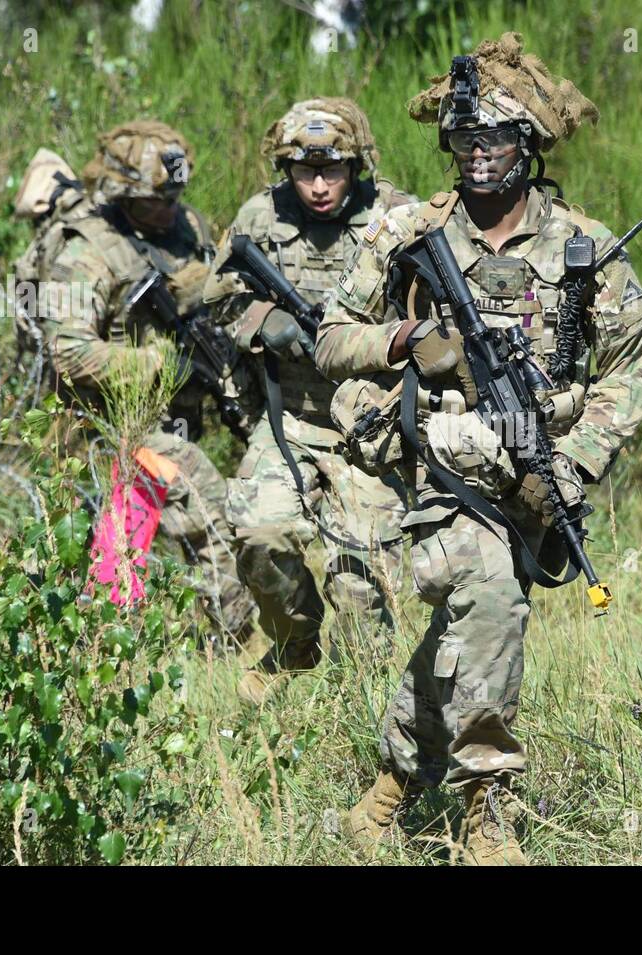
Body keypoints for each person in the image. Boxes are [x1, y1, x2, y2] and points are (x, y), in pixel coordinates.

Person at [315, 34, 642, 865]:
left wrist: (570, 467)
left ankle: (394, 779)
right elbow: (329, 338)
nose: (476, 157)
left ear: (529, 147)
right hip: (436, 463)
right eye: (463, 141)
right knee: (490, 592)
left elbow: (630, 373)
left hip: (537, 471)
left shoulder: (585, 249)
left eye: (495, 140)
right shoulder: (408, 232)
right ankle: (487, 805)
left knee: (471, 626)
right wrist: (406, 339)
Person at [202, 99, 416, 703]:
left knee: (362, 583)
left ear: (357, 167)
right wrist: (262, 319)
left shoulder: (396, 217)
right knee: (259, 533)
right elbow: (216, 296)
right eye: (304, 173)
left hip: (370, 423)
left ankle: (367, 716)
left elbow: (438, 303)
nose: (319, 187)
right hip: (291, 417)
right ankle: (296, 640)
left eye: (333, 171)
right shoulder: (259, 218)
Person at [36, 120, 256, 647]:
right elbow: (67, 351)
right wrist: (153, 364)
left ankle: (108, 639)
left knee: (126, 535)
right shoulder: (87, 249)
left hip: (177, 410)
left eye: (175, 195)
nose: (169, 208)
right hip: (105, 422)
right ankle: (233, 635)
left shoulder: (188, 228)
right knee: (199, 494)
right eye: (155, 200)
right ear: (121, 194)